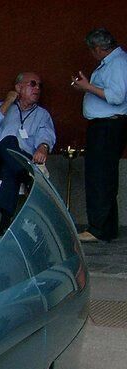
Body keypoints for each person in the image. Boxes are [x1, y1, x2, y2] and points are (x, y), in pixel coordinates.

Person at [0, 72, 56, 234]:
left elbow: (46, 135)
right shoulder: (1, 106)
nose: (37, 88)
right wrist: (8, 100)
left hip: (16, 161)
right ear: (18, 88)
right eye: (32, 84)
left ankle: (4, 225)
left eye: (39, 85)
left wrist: (43, 147)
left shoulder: (42, 115)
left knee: (12, 169)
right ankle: (28, 176)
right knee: (9, 140)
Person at [72, 28, 127, 242]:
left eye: (91, 51)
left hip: (108, 126)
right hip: (105, 126)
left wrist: (87, 87)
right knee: (104, 176)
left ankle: (98, 228)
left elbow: (116, 96)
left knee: (100, 177)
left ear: (97, 48)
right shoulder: (113, 62)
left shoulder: (118, 63)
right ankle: (106, 227)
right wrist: (88, 86)